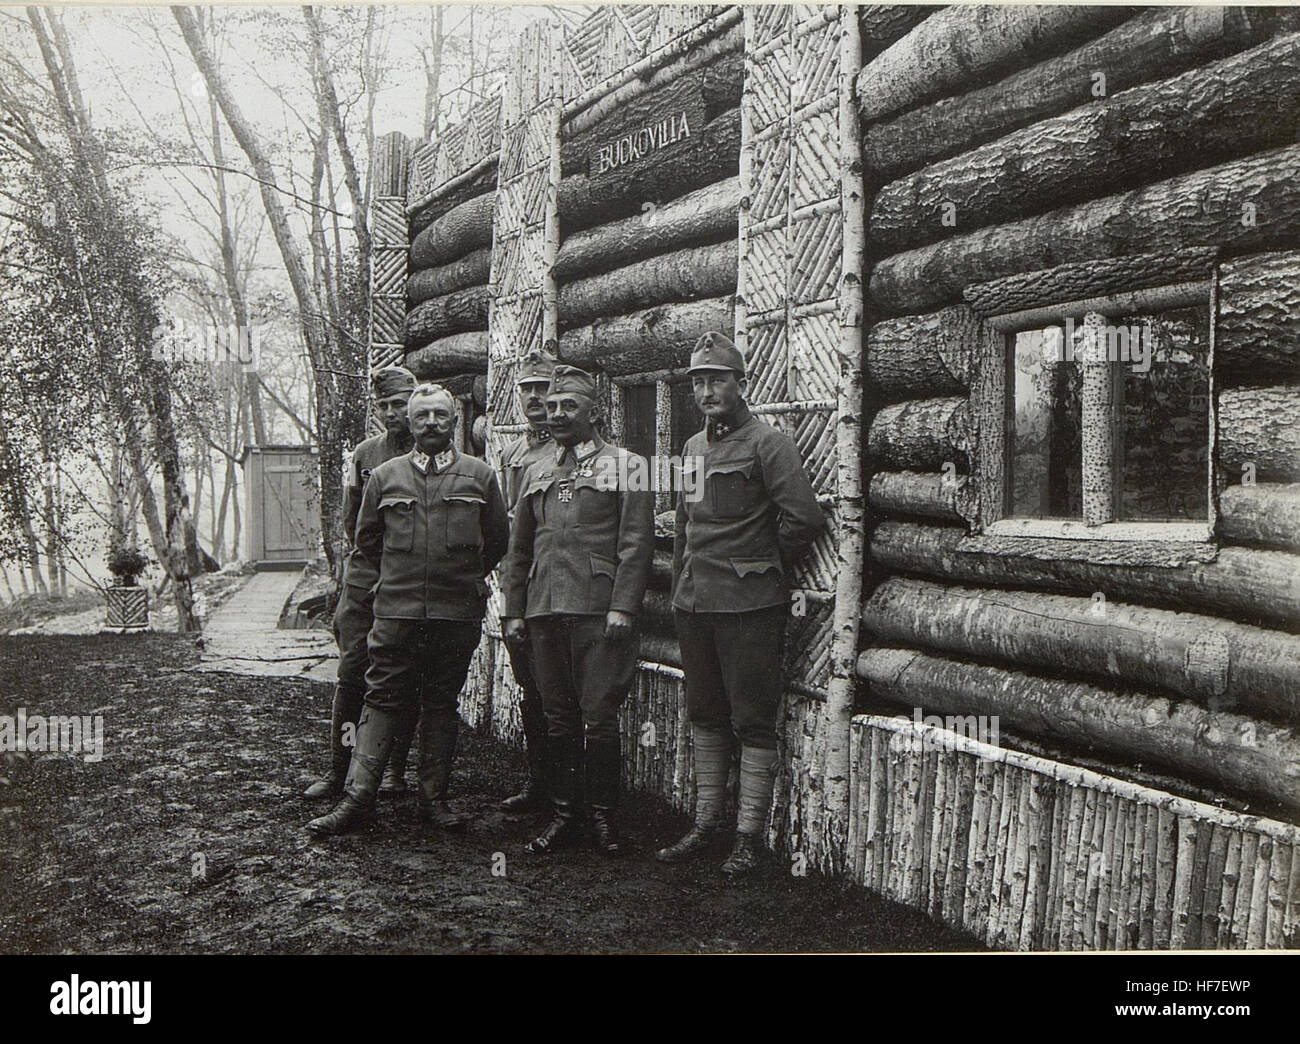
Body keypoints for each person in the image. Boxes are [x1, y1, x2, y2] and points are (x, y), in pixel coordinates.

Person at [655, 332, 824, 875]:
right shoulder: (691, 449)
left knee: (752, 718)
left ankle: (747, 837)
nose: (707, 391)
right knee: (705, 712)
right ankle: (707, 824)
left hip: (750, 605)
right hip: (696, 602)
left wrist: (756, 562)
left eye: (717, 380)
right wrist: (683, 576)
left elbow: (803, 518)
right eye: (699, 382)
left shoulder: (769, 444)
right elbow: (684, 523)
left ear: (739, 383)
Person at [308, 383, 509, 836]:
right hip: (396, 614)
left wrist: (456, 577)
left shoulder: (479, 477)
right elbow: (367, 540)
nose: (432, 423)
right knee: (381, 697)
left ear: (455, 421)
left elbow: (497, 540)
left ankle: (433, 800)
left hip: (455, 614)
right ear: (412, 424)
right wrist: (398, 583)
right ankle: (359, 799)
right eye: (423, 417)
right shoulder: (385, 476)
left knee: (440, 702)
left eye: (440, 415)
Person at [500, 365, 654, 855]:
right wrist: (514, 611)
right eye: (552, 406)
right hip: (545, 609)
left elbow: (635, 545)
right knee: (557, 717)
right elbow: (518, 549)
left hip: (598, 611)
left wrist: (623, 607)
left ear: (595, 411)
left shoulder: (626, 465)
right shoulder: (536, 470)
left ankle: (603, 819)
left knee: (599, 717)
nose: (558, 414)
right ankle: (565, 816)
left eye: (570, 406)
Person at [303, 366, 420, 801]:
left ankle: (393, 770)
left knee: (405, 677)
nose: (393, 413)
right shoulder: (364, 456)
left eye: (400, 404)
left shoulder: (436, 454)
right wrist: (364, 569)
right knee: (352, 675)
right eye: (384, 405)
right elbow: (352, 520)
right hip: (366, 579)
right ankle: (340, 769)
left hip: (411, 582)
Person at [497, 348, 558, 814]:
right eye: (528, 389)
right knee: (530, 689)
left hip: (557, 583)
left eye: (543, 388)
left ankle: (565, 791)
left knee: (560, 690)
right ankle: (539, 780)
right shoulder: (513, 452)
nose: (535, 397)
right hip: (521, 585)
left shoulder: (567, 449)